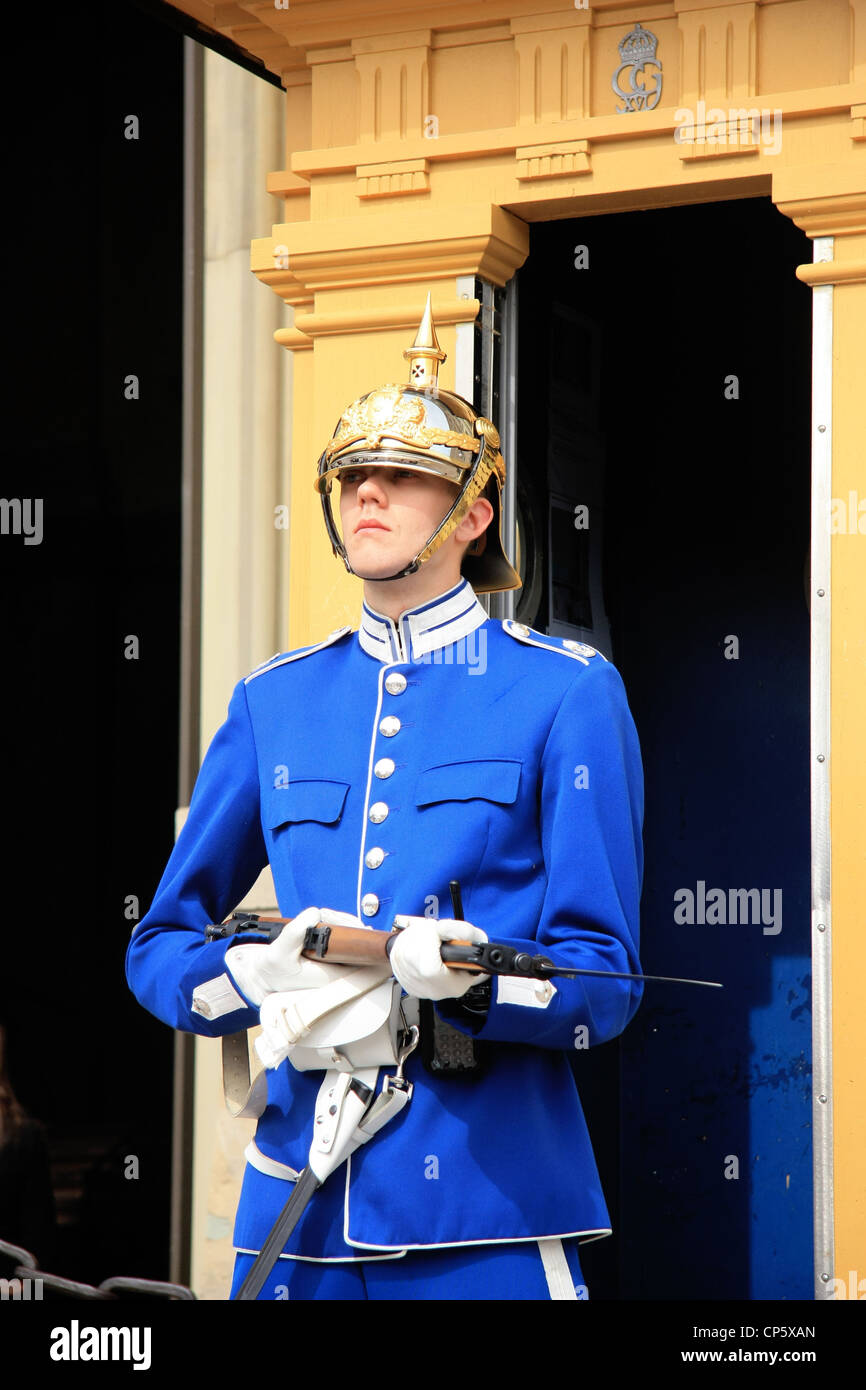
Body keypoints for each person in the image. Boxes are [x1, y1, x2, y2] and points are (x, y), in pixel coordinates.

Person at [126, 298, 644, 1301]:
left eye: (402, 476)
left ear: (471, 515)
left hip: (485, 1218)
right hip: (298, 1205)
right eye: (352, 475)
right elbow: (159, 945)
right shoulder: (274, 699)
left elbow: (605, 986)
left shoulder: (565, 692)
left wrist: (468, 983)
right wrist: (261, 978)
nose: (366, 492)